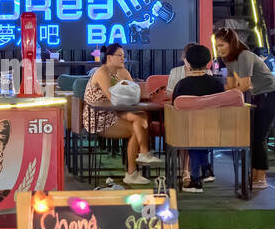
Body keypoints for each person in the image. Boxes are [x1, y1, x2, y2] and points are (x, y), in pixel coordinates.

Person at [81, 44, 158, 185]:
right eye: (119, 55)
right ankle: (132, 172)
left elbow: (134, 91)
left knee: (142, 117)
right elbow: (114, 98)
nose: (123, 58)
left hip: (115, 113)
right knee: (137, 129)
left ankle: (141, 157)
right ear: (109, 57)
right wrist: (132, 94)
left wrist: (144, 93)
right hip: (98, 118)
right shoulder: (102, 73)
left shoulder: (122, 71)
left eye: (124, 55)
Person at [215, 28, 275, 189]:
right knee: (253, 137)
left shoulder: (244, 56)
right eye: (217, 46)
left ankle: (261, 178)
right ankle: (255, 175)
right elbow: (230, 86)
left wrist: (220, 98)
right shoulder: (228, 60)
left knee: (259, 137)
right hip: (259, 95)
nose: (219, 49)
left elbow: (244, 85)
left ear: (231, 44)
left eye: (222, 45)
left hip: (270, 94)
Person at [170, 43, 225, 193]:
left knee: (193, 131)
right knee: (200, 130)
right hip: (215, 130)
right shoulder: (217, 84)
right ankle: (206, 167)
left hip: (187, 131)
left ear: (188, 61)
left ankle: (195, 179)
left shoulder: (182, 85)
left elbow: (175, 108)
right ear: (207, 61)